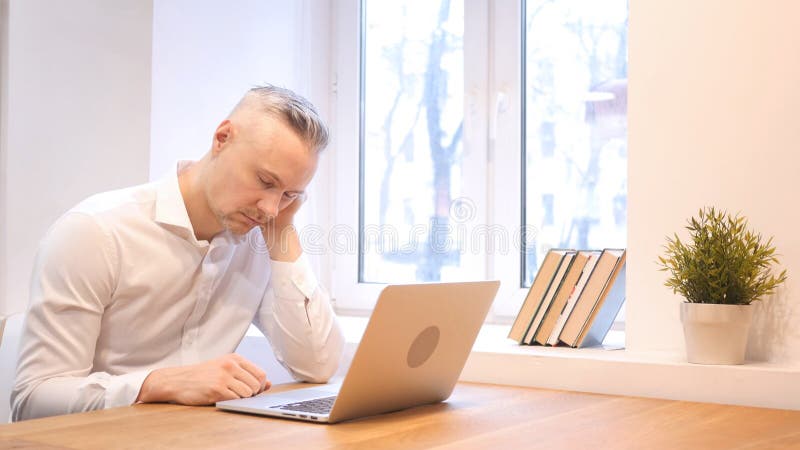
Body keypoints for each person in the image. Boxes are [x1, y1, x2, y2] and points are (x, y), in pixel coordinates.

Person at [11, 85, 345, 421]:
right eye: (265, 181)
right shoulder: (95, 233)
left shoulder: (262, 235)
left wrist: (283, 230)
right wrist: (158, 383)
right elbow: (34, 399)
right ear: (223, 138)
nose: (271, 208)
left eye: (290, 194)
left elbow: (316, 365)